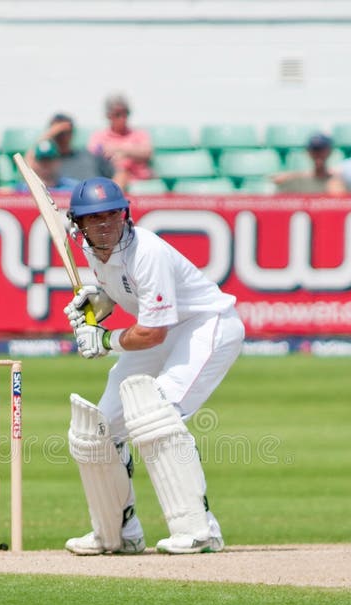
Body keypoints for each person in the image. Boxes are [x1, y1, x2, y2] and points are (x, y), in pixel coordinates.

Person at [61, 177, 245, 556]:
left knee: (157, 415)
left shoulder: (148, 252)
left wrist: (105, 340)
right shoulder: (96, 253)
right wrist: (101, 302)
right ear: (79, 225)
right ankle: (117, 534)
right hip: (162, 329)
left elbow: (153, 332)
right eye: (94, 218)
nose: (105, 224)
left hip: (204, 325)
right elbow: (125, 290)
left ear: (124, 214)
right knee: (97, 429)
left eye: (112, 214)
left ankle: (200, 531)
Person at [87, 94, 153, 190]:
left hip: (137, 177)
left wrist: (122, 151)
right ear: (108, 115)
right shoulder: (98, 136)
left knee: (122, 172)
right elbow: (92, 155)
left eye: (125, 113)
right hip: (109, 176)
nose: (122, 118)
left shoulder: (139, 134)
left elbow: (147, 152)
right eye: (117, 114)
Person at [30, 113, 115, 180]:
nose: (62, 137)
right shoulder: (46, 163)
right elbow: (27, 169)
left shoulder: (88, 156)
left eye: (66, 133)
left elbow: (116, 174)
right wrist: (51, 133)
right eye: (59, 134)